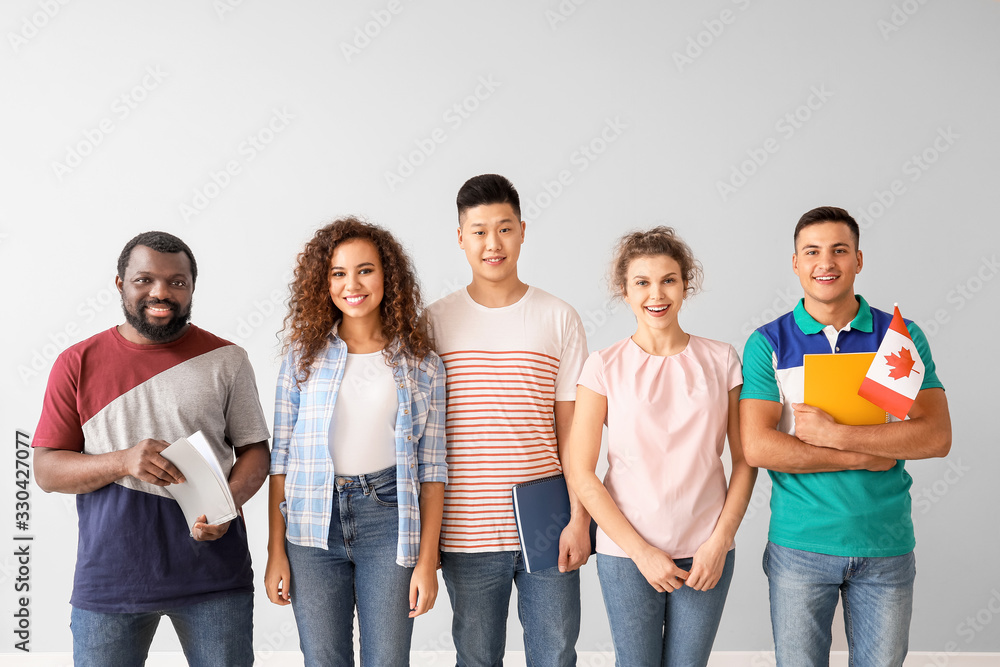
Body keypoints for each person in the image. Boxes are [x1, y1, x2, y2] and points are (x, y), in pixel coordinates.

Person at [32, 231, 271, 667]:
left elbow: (256, 452)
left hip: (214, 574)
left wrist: (226, 506)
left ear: (192, 287)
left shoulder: (227, 359)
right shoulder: (77, 362)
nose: (161, 292)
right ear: (120, 284)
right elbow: (46, 471)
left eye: (176, 282)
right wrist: (124, 461)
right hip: (109, 580)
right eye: (144, 280)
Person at [740, 206, 952, 666]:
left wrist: (838, 435)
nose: (826, 263)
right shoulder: (769, 343)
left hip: (885, 546)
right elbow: (757, 447)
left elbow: (935, 436)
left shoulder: (896, 336)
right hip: (800, 546)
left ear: (859, 260)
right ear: (795, 263)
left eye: (840, 250)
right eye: (812, 251)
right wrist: (865, 454)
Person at [564, 226, 757, 666]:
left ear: (686, 284)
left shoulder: (722, 360)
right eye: (642, 282)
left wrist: (720, 540)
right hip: (628, 554)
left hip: (706, 551)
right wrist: (641, 552)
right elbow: (581, 472)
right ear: (625, 291)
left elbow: (746, 460)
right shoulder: (603, 367)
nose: (657, 293)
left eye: (669, 279)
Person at [425, 173, 590, 666]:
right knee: (476, 658)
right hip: (465, 529)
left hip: (548, 523)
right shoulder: (433, 322)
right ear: (460, 238)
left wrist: (580, 520)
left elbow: (574, 434)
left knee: (556, 655)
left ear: (521, 230)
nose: (492, 243)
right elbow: (421, 439)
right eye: (478, 231)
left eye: (503, 228)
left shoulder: (559, 317)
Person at [264, 218, 446, 666]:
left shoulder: (422, 363)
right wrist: (275, 552)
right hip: (311, 525)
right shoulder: (301, 359)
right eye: (338, 274)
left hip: (388, 520)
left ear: (388, 275)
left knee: (387, 659)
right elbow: (280, 459)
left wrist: (427, 561)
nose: (352, 285)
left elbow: (433, 468)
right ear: (323, 283)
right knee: (324, 660)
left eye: (365, 270)